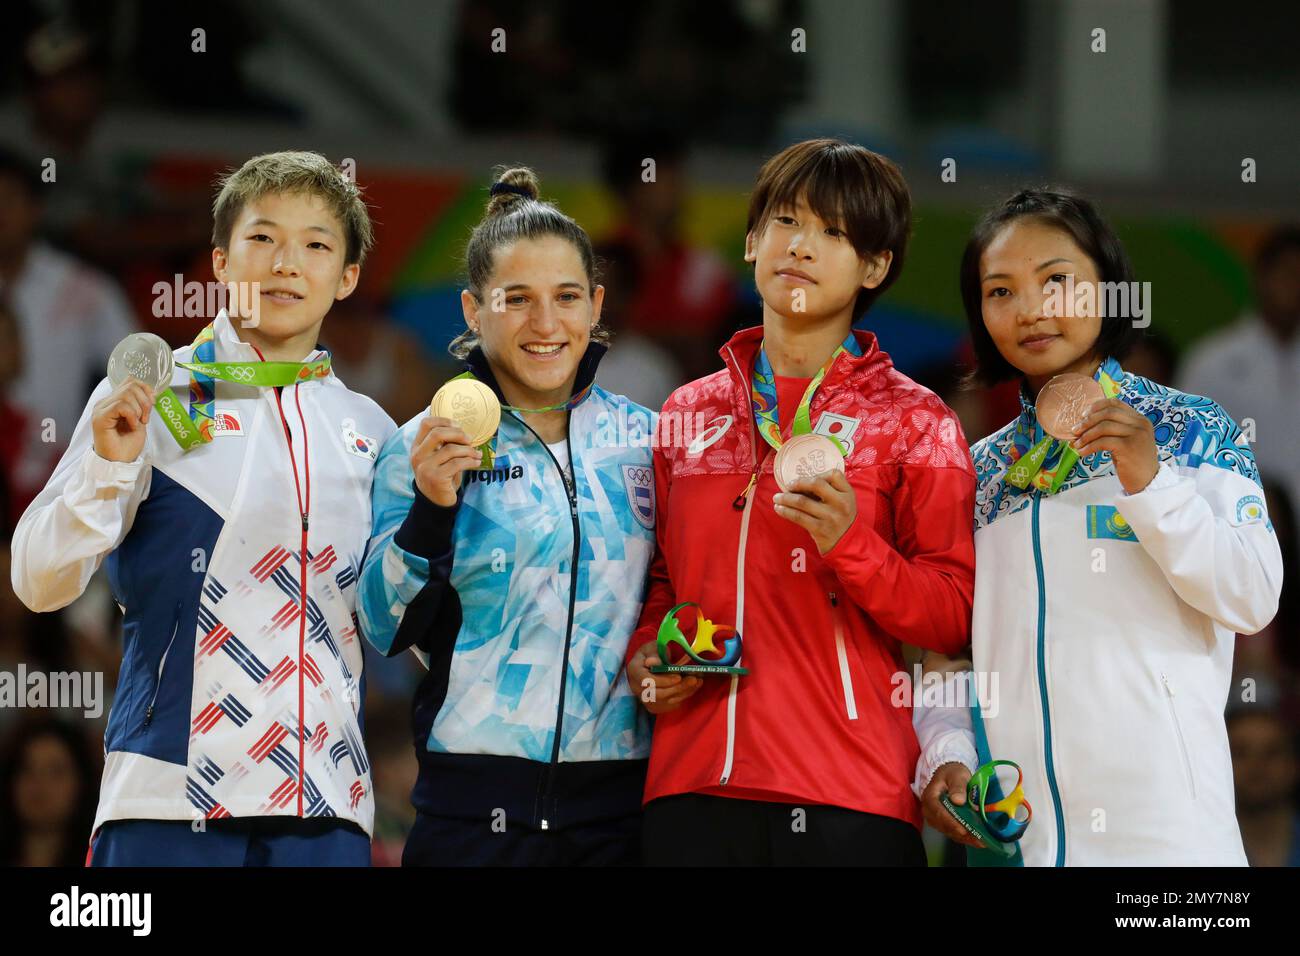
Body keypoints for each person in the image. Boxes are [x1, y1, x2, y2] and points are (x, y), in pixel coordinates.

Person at [10, 150, 396, 866]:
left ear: (346, 278)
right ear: (219, 263)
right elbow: (38, 581)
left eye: (315, 245)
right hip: (165, 799)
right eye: (262, 238)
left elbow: (407, 622)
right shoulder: (150, 396)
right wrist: (108, 466)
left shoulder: (372, 431)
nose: (286, 262)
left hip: (328, 808)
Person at [625, 138, 977, 866]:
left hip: (850, 797)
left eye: (835, 233)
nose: (802, 247)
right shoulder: (687, 413)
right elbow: (664, 584)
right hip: (692, 793)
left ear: (875, 266)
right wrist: (649, 662)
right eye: (786, 222)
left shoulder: (917, 422)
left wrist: (851, 543)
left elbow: (951, 613)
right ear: (752, 241)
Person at [918, 188, 1284, 865]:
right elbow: (947, 646)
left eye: (1056, 281)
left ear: (1108, 290)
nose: (1029, 310)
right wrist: (945, 751)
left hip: (1167, 843)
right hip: (1013, 840)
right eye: (1001, 292)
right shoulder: (976, 471)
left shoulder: (1188, 429)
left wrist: (1151, 484)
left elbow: (1252, 593)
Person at [356, 167, 657, 866]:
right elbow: (381, 625)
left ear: (596, 304)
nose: (545, 324)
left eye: (566, 298)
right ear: (472, 309)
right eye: (515, 299)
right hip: (469, 813)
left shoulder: (647, 442)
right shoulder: (422, 442)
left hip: (617, 816)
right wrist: (430, 510)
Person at [1178, 226, 1300, 511]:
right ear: (1262, 277)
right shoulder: (1212, 361)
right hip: (1234, 522)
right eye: (1289, 275)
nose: (1295, 287)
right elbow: (1186, 453)